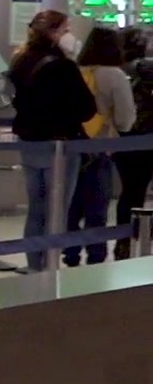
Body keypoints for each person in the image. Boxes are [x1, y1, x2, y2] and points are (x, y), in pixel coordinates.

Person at [7, 10, 96, 272]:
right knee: (57, 209)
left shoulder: (20, 60)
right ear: (54, 32)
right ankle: (49, 267)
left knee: (36, 208)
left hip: (29, 142)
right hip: (60, 144)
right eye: (65, 30)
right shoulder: (63, 66)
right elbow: (86, 108)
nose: (69, 35)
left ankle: (35, 265)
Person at [66, 27, 135, 265]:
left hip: (71, 145)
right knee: (97, 207)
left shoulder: (74, 70)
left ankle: (70, 253)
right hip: (100, 145)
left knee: (72, 204)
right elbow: (125, 120)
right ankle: (96, 256)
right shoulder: (114, 75)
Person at [116, 27, 153, 257]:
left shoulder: (116, 68)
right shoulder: (143, 66)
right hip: (146, 136)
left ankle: (124, 241)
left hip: (124, 137)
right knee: (136, 190)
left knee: (130, 192)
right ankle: (138, 237)